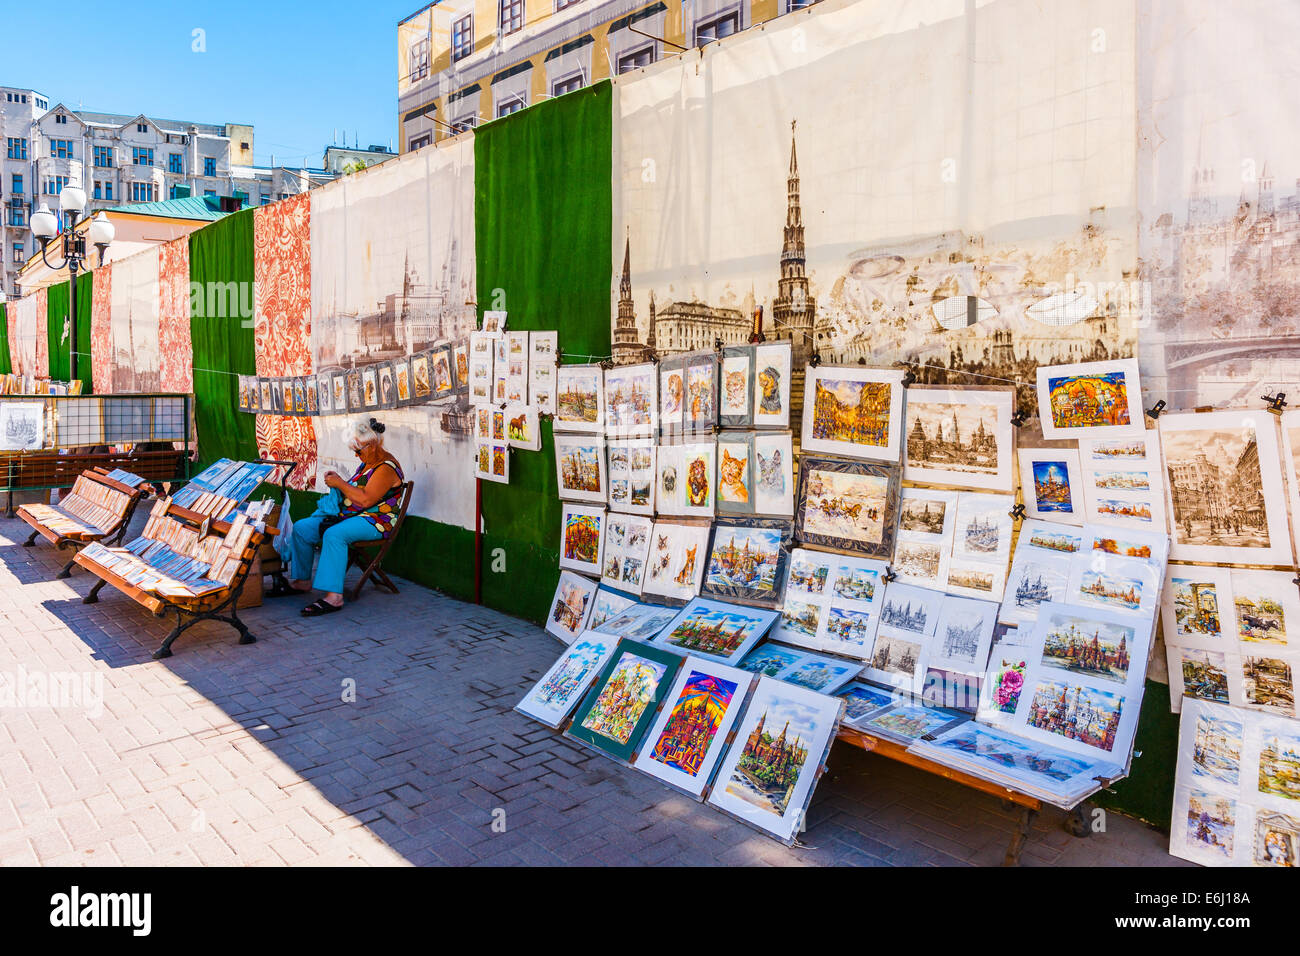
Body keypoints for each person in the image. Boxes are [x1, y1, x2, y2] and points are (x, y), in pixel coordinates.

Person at [284, 418, 405, 616]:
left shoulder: (386, 468)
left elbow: (366, 500)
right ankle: (302, 581)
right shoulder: (367, 463)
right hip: (353, 515)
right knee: (302, 528)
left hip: (376, 521)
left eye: (359, 451)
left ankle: (334, 597)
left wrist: (340, 483)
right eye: (354, 452)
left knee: (334, 535)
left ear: (373, 445)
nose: (357, 456)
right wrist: (339, 484)